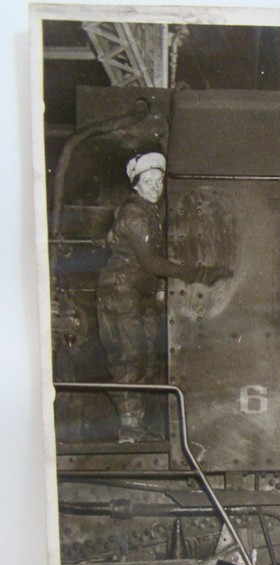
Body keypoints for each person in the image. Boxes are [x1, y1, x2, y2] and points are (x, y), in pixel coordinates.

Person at [97, 152, 231, 443]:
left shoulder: (149, 212)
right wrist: (196, 273)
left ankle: (136, 425)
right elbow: (150, 263)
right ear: (136, 185)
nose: (155, 187)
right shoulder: (135, 215)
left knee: (144, 357)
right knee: (129, 358)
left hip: (137, 292)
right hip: (121, 293)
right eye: (148, 182)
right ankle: (129, 429)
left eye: (159, 181)